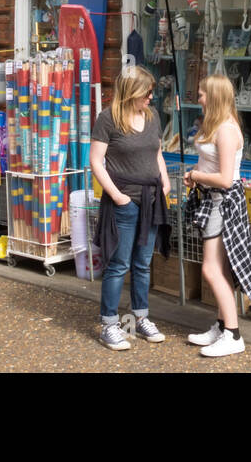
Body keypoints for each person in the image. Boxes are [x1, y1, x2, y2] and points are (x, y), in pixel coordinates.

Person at [90, 66, 171, 352]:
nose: (151, 97)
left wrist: (165, 181)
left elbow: (157, 152)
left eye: (151, 92)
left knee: (142, 263)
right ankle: (109, 324)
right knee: (119, 263)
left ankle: (141, 318)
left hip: (151, 198)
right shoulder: (108, 119)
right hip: (124, 199)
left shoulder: (152, 117)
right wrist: (116, 195)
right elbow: (96, 161)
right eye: (147, 92)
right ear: (131, 92)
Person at [182, 74, 250, 356]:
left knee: (211, 268)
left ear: (214, 96)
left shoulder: (226, 130)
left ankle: (233, 335)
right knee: (221, 269)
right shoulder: (219, 124)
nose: (198, 98)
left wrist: (196, 175)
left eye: (201, 94)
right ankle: (222, 326)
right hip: (215, 202)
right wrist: (197, 177)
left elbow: (225, 179)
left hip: (223, 203)